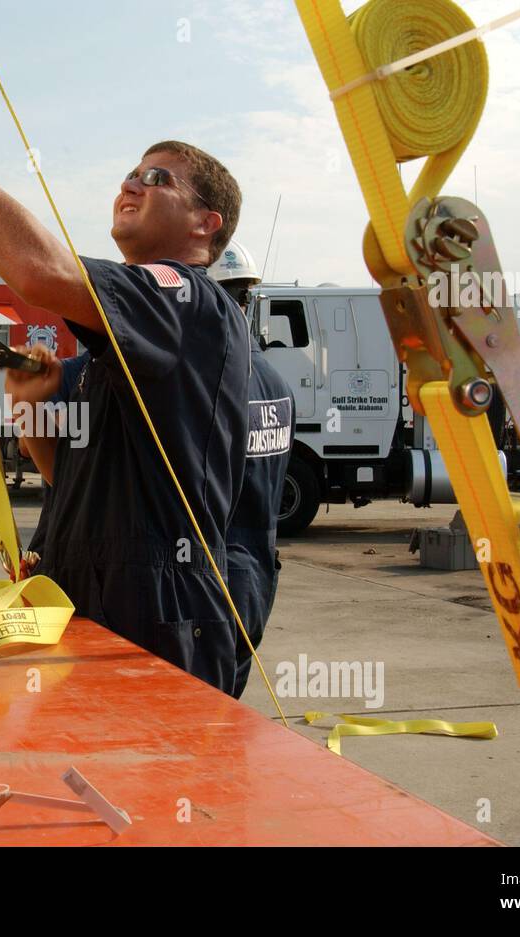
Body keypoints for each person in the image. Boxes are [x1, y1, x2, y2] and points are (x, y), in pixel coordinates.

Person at [0, 66, 249, 695]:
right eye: (130, 173)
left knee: (153, 785)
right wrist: (30, 410)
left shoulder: (183, 298)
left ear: (206, 224)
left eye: (158, 178)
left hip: (156, 609)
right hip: (80, 592)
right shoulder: (124, 347)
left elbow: (38, 271)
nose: (131, 183)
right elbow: (76, 477)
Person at [210, 241, 294, 697]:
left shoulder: (213, 383)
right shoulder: (276, 381)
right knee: (224, 713)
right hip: (257, 577)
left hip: (214, 583)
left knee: (197, 724)